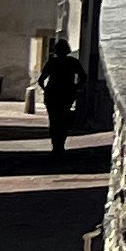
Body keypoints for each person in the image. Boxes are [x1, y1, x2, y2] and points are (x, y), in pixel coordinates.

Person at [41, 34, 83, 163]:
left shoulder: (52, 62)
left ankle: (56, 146)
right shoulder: (73, 62)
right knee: (63, 121)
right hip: (67, 94)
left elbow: (41, 80)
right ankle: (61, 145)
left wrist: (46, 90)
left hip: (52, 94)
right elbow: (84, 76)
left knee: (53, 121)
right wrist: (76, 87)